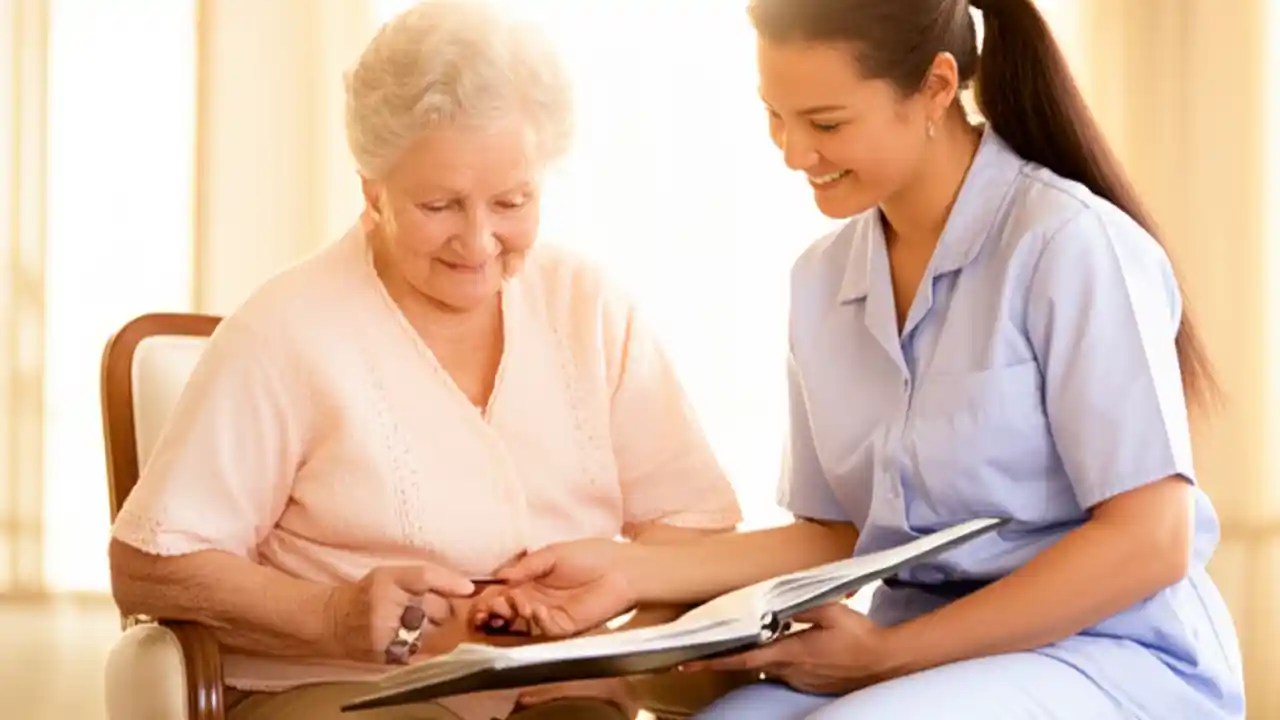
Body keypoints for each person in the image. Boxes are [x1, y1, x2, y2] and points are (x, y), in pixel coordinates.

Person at [480, 0, 1247, 717]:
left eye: (825, 121)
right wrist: (625, 572)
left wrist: (886, 655)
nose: (793, 152)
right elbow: (841, 533)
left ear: (936, 88)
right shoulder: (821, 282)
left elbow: (1149, 540)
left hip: (1104, 653)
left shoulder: (1067, 246)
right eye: (774, 117)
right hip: (917, 650)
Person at [105, 2, 745, 719]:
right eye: (440, 205)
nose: (478, 242)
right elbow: (147, 566)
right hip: (335, 688)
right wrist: (332, 613)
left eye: (512, 200)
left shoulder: (587, 306)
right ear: (373, 192)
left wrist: (618, 661)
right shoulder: (284, 331)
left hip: (551, 692)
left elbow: (695, 524)